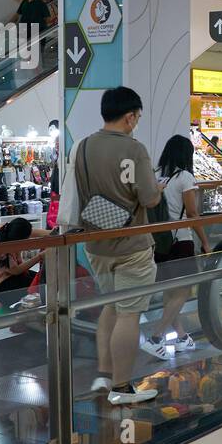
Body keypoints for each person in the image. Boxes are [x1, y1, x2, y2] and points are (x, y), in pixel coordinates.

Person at [70, 86, 162, 405]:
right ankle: (122, 388)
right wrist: (157, 190)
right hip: (131, 244)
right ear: (129, 116)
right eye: (136, 116)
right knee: (129, 313)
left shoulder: (82, 147)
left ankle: (104, 375)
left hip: (95, 244)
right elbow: (149, 197)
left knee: (110, 305)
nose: (136, 121)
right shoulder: (134, 149)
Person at [140, 135, 212, 360]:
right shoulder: (185, 177)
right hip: (180, 240)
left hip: (159, 241)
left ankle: (181, 337)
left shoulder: (155, 174)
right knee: (183, 291)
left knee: (170, 292)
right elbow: (192, 213)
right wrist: (206, 242)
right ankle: (155, 337)